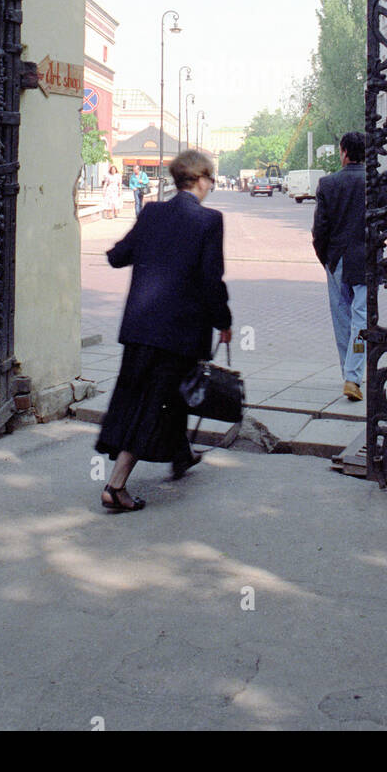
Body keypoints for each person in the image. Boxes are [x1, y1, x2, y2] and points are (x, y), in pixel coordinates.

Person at [94, 148, 232, 512]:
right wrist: (225, 322)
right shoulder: (208, 221)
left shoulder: (152, 213)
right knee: (152, 404)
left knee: (160, 395)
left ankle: (181, 455)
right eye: (210, 181)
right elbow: (210, 280)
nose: (210, 188)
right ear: (201, 180)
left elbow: (117, 256)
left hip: (140, 326)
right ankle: (115, 485)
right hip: (179, 333)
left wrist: (148, 249)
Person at [312, 131, 367, 401]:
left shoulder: (328, 183)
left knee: (343, 318)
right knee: (362, 318)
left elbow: (319, 230)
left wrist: (327, 260)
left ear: (343, 152)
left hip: (338, 260)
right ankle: (353, 376)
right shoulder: (377, 183)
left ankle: (350, 375)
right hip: (367, 259)